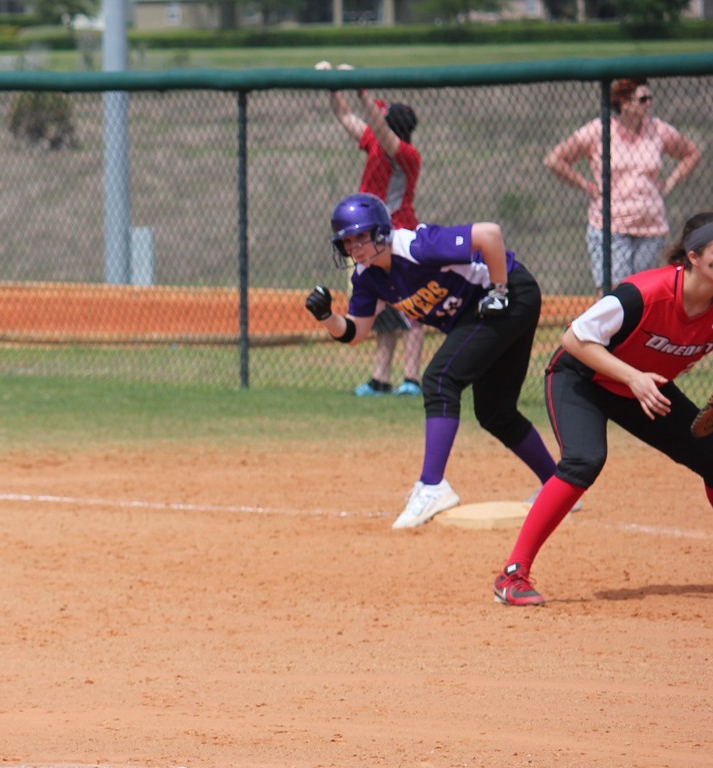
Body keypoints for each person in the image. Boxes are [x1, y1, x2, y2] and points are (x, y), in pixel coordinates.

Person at [494, 213, 713, 607]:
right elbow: (574, 338)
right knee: (584, 459)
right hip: (582, 377)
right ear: (694, 257)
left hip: (644, 388)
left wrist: (638, 382)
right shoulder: (645, 293)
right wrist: (632, 377)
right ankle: (513, 575)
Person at [305, 192, 560, 529]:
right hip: (483, 312)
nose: (355, 247)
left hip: (510, 295)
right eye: (347, 242)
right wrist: (326, 316)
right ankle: (559, 489)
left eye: (361, 236)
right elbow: (355, 333)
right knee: (494, 412)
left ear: (381, 231)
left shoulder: (415, 247)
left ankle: (432, 485)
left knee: (439, 379)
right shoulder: (367, 278)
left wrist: (498, 290)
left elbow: (490, 235)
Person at [318, 61, 426, 397]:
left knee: (413, 309)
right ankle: (380, 378)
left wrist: (362, 90)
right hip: (368, 240)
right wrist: (332, 85)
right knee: (379, 305)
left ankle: (411, 378)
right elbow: (345, 117)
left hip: (399, 237)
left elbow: (381, 132)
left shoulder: (407, 155)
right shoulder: (375, 143)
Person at [544, 77, 702, 297]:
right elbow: (555, 160)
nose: (649, 104)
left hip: (650, 226)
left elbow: (691, 153)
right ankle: (609, 333)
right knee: (615, 293)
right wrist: (588, 186)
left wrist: (670, 182)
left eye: (650, 98)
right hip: (611, 224)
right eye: (643, 99)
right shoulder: (599, 130)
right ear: (625, 103)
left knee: (643, 293)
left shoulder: (657, 129)